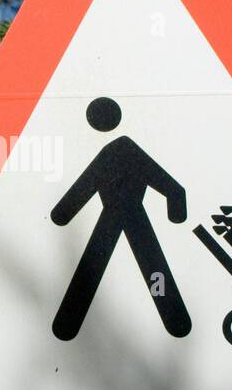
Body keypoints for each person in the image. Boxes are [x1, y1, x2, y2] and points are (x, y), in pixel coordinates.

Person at [50, 96, 192, 340]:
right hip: (128, 217)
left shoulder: (118, 151)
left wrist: (62, 214)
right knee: (151, 266)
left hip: (123, 216)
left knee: (105, 267)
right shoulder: (121, 151)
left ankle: (66, 324)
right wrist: (176, 210)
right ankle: (176, 320)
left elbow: (84, 186)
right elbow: (172, 188)